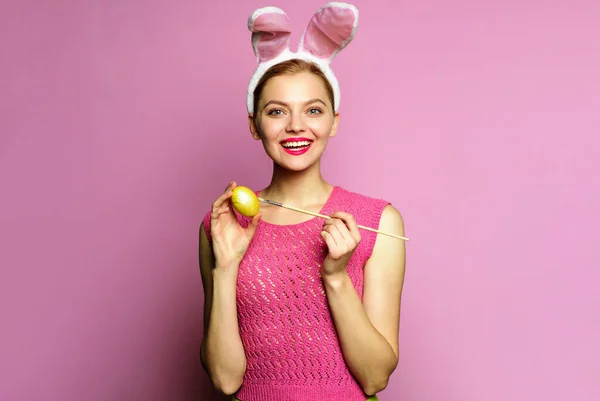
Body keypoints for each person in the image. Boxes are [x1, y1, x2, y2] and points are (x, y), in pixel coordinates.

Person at [198, 3, 406, 401]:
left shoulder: (378, 221)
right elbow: (225, 381)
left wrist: (336, 276)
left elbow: (376, 377)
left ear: (334, 121)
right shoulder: (219, 226)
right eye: (277, 111)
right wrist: (226, 268)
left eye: (313, 110)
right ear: (254, 124)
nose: (296, 126)